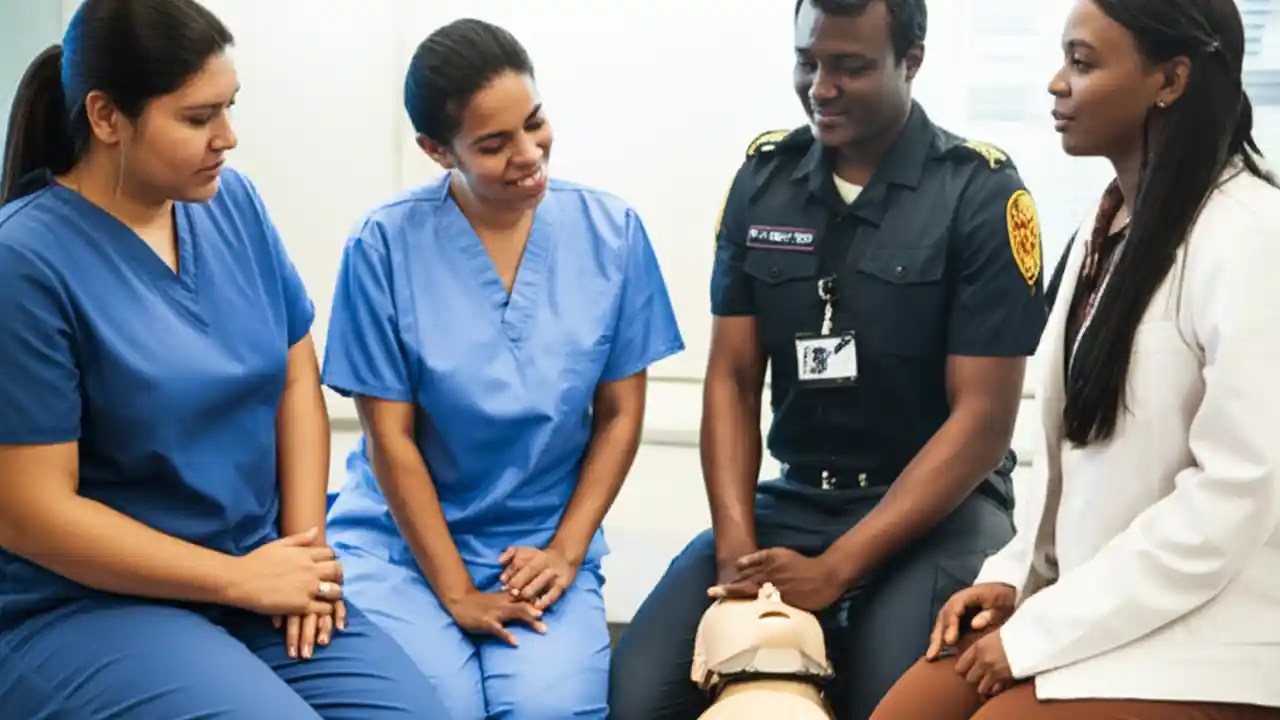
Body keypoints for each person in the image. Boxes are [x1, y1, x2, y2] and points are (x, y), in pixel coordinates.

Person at [0, 1, 447, 718]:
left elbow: (296, 372)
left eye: (229, 108)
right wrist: (239, 581)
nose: (228, 138)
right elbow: (31, 513)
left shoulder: (230, 204)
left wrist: (303, 556)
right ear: (107, 117)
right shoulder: (23, 263)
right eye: (198, 117)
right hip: (87, 604)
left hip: (256, 569)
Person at [609, 0, 1048, 718]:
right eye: (807, 62)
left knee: (886, 700)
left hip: (939, 512)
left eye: (850, 67)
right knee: (640, 695)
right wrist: (735, 548)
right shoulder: (763, 180)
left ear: (912, 61)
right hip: (797, 500)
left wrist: (837, 569)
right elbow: (732, 377)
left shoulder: (979, 191)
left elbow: (984, 421)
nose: (821, 87)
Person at [870, 0, 1280, 718]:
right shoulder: (1110, 226)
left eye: (1082, 63)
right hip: (1100, 608)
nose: (1057, 84)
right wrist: (1015, 579)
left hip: (1217, 637)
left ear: (1171, 80)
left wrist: (1044, 631)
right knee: (907, 708)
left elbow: (1230, 499)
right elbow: (1061, 453)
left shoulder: (1250, 237)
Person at [320, 17, 685, 720]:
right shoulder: (383, 246)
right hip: (404, 548)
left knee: (551, 712)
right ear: (436, 150)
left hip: (542, 544)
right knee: (430, 709)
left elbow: (618, 414)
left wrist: (567, 551)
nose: (529, 154)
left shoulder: (611, 233)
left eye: (535, 122)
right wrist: (455, 589)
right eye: (493, 144)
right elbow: (389, 440)